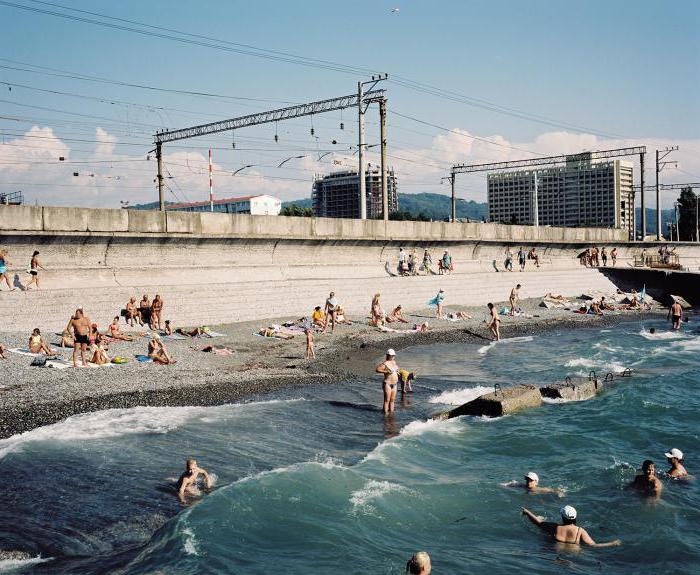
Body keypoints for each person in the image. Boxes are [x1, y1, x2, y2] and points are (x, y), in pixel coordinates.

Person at [521, 505, 621, 547]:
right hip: (574, 557)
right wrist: (612, 543)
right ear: (575, 517)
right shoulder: (580, 531)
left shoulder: (554, 527)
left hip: (554, 553)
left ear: (563, 517)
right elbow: (593, 545)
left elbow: (537, 523)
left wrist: (527, 512)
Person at [376, 348, 399, 415]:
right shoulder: (385, 363)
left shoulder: (394, 362)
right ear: (388, 355)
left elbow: (396, 369)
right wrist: (386, 371)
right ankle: (385, 415)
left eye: (393, 355)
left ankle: (391, 414)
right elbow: (377, 369)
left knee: (392, 401)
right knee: (387, 400)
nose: (392, 357)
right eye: (391, 355)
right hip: (387, 384)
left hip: (395, 384)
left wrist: (397, 371)